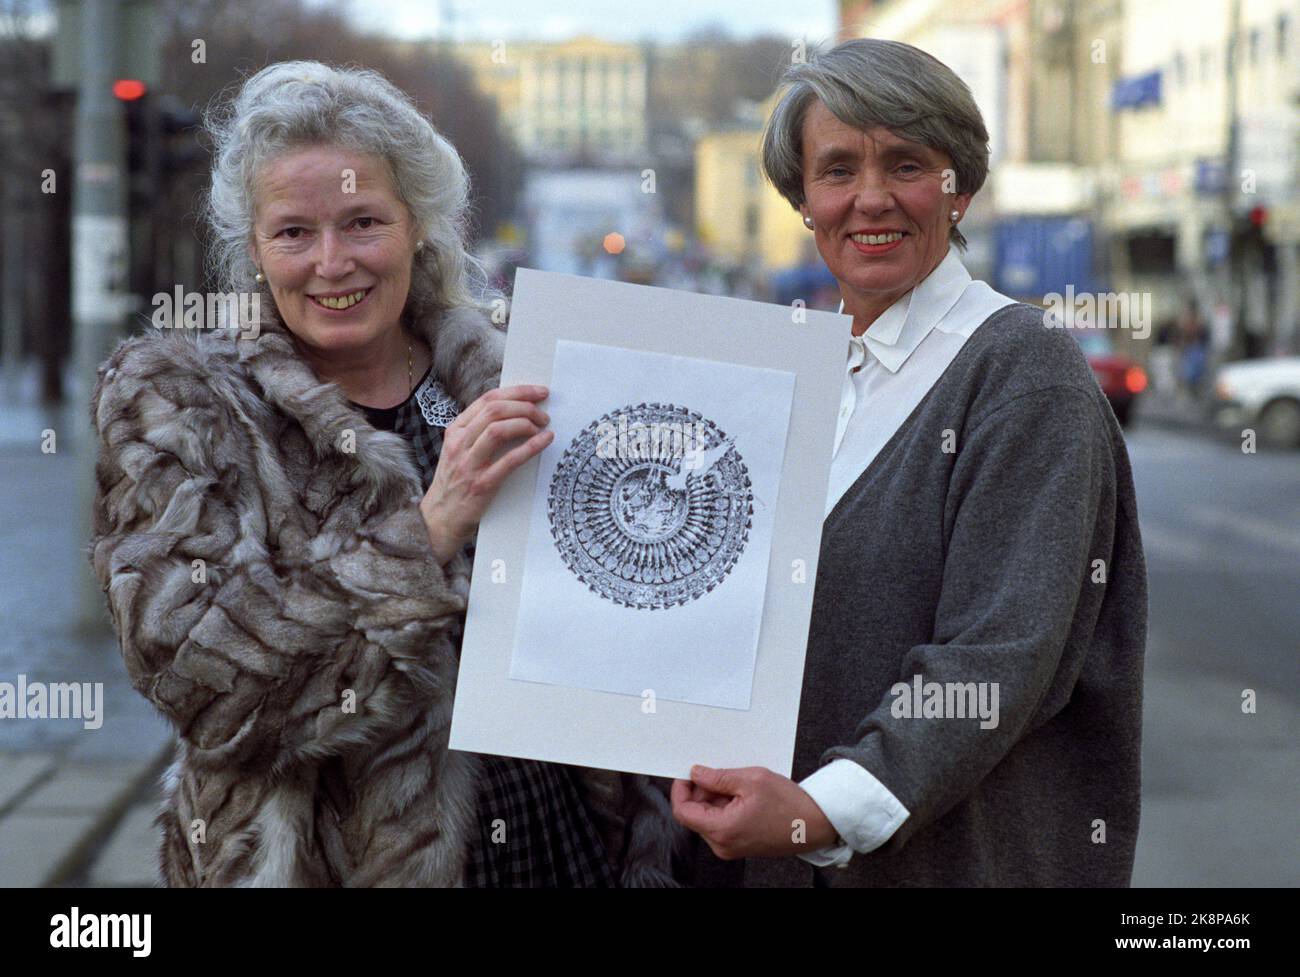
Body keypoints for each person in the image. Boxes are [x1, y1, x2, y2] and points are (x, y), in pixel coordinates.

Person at [88, 61, 677, 887]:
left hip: (559, 846)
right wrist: (429, 531)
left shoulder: (523, 376)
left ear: (419, 228)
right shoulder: (178, 400)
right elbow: (204, 684)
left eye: (363, 221)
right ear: (253, 248)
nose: (332, 262)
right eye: (294, 232)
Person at [671, 38, 1147, 887]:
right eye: (838, 168)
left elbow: (996, 657)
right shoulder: (803, 376)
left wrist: (822, 809)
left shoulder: (1022, 369)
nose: (872, 198)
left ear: (959, 188)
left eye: (908, 164)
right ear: (802, 198)